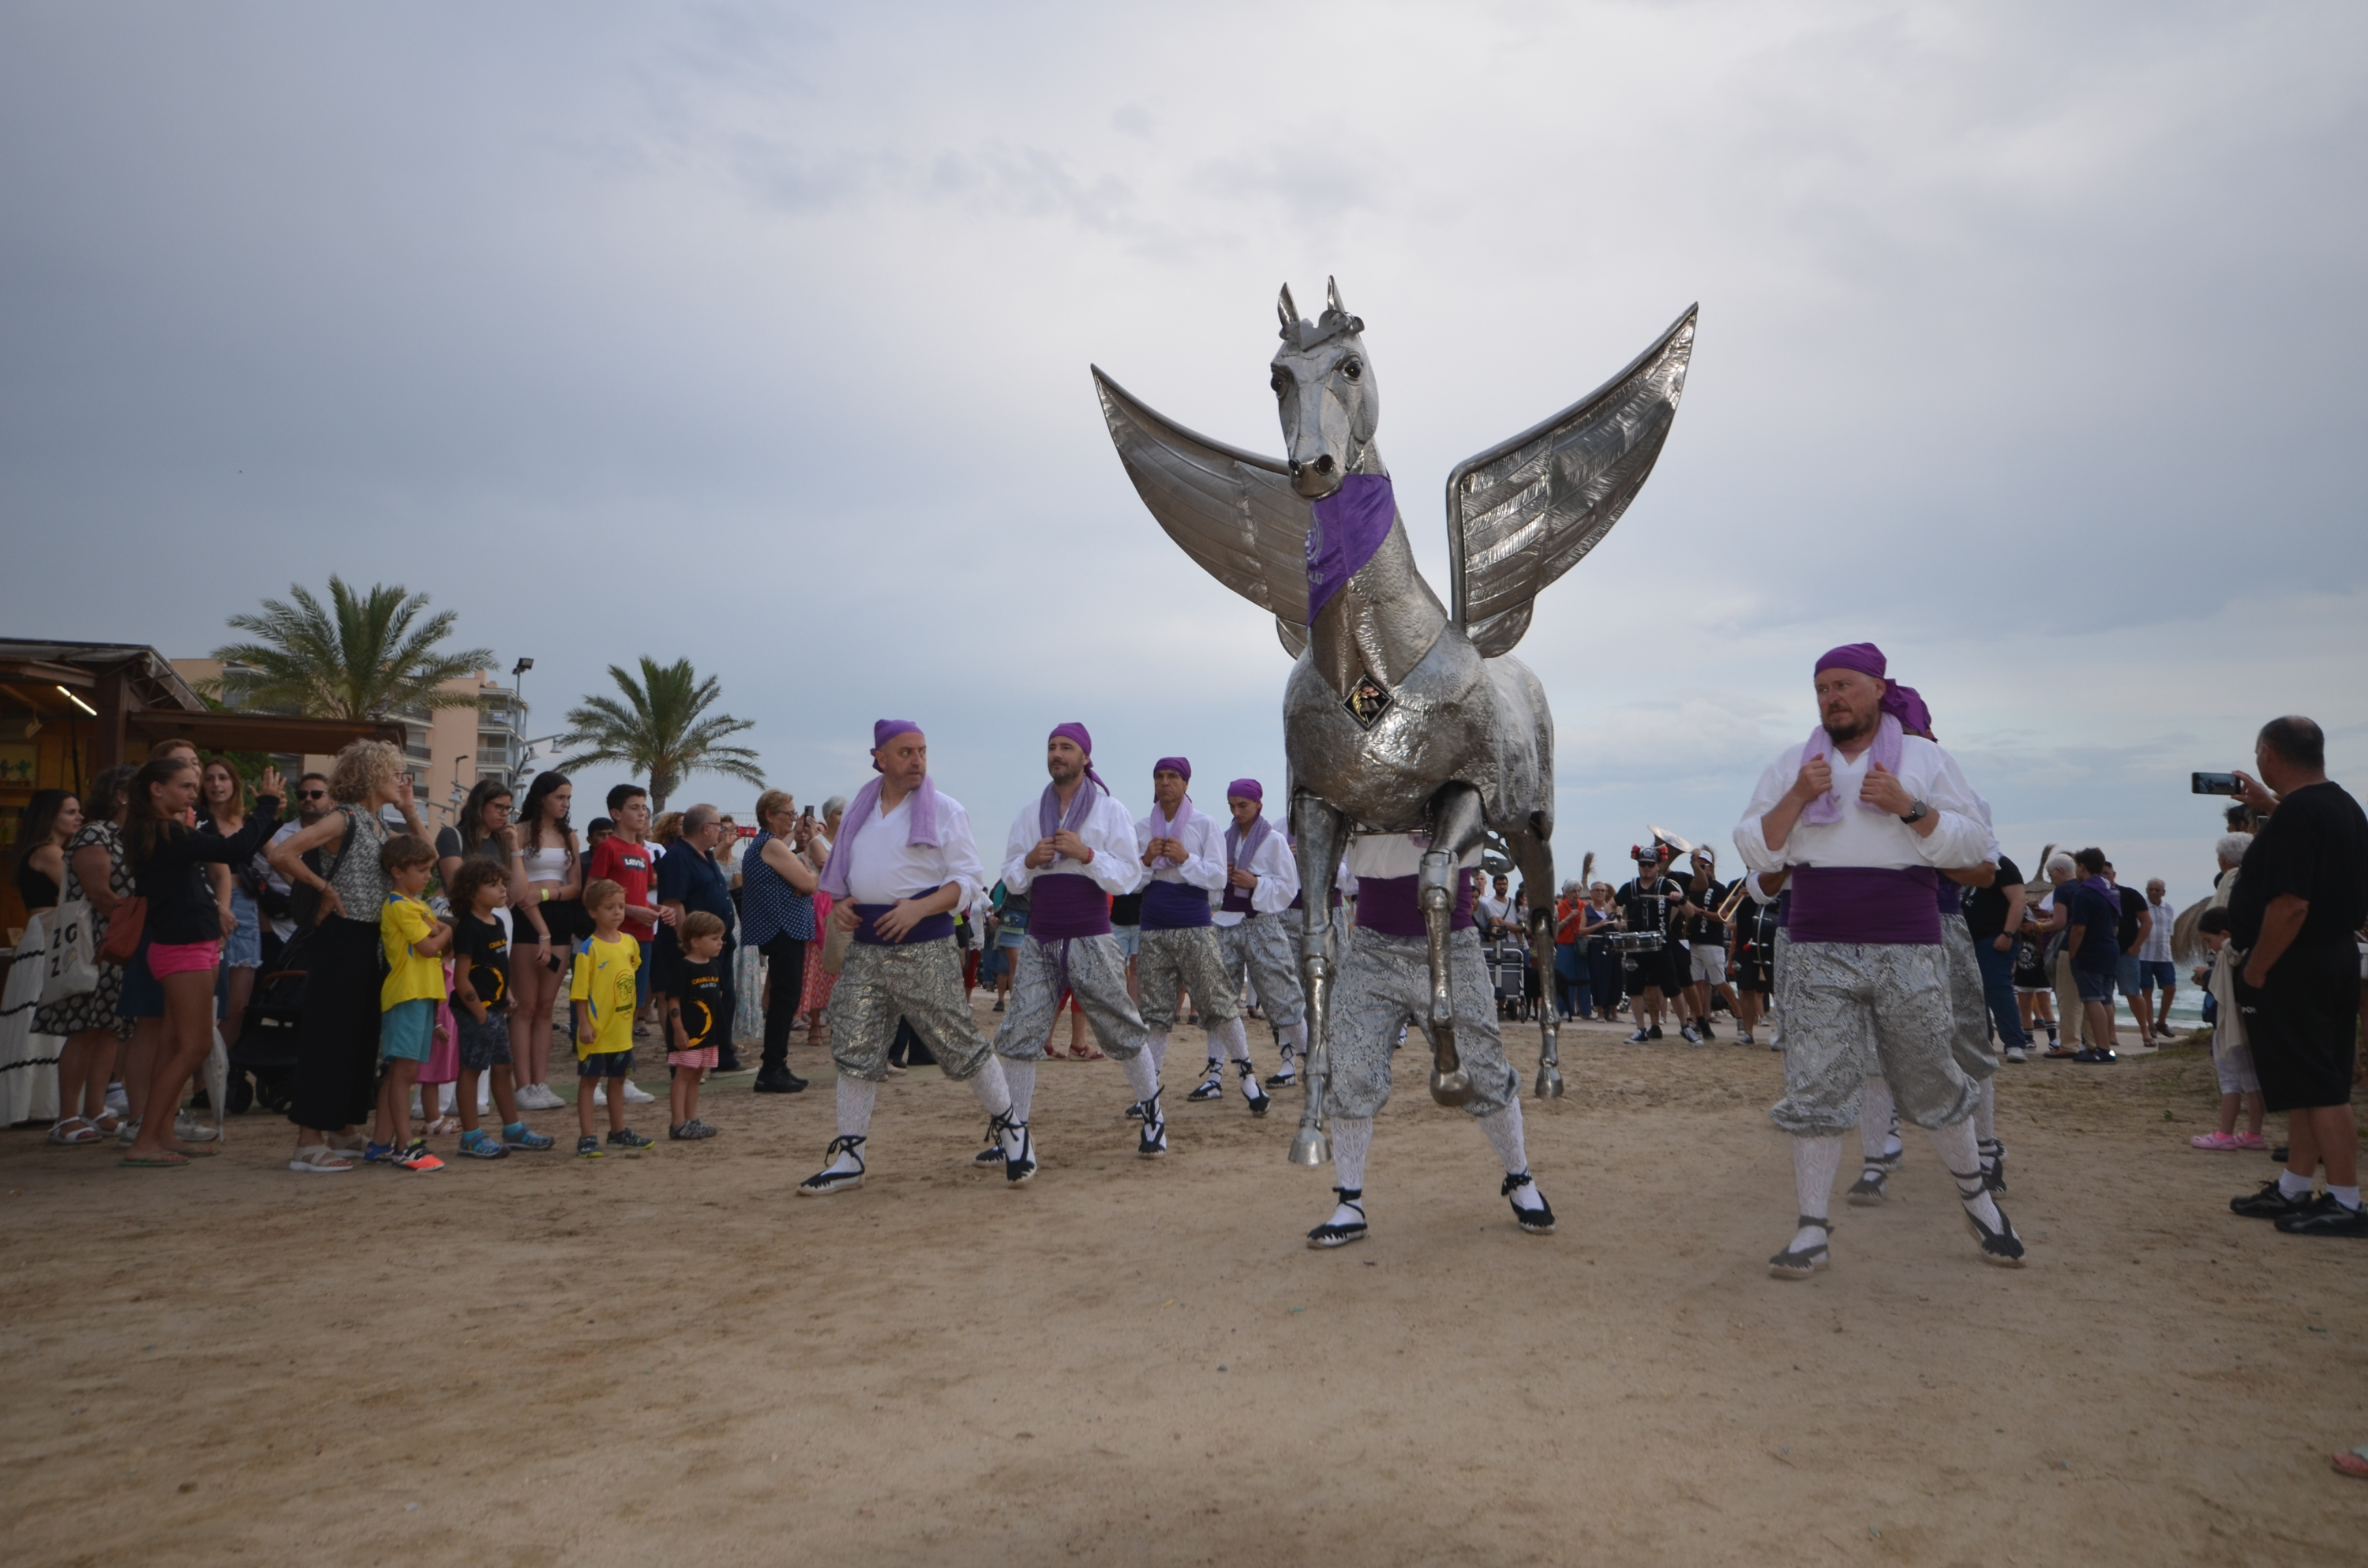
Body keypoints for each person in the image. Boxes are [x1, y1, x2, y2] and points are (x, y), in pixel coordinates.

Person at [1733, 642, 2023, 1275]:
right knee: (1815, 1085)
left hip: (1909, 942)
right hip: (1814, 947)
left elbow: (1978, 847)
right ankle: (1811, 1228)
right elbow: (1755, 850)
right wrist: (1797, 799)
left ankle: (1978, 1199)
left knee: (1930, 1076)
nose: (1832, 697)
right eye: (1822, 688)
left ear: (1876, 687)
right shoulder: (1795, 762)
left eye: (1843, 685)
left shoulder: (1925, 759)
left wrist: (1909, 808)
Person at [796, 721, 1026, 1196]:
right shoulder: (859, 811)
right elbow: (844, 875)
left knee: (960, 1042)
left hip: (926, 942)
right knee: (856, 1047)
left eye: (922, 751)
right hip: (866, 944)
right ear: (878, 757)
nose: (917, 760)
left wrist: (918, 908)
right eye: (905, 752)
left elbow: (967, 881)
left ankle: (1013, 1130)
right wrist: (840, 904)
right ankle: (850, 1158)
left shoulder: (945, 809)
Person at [1305, 827, 1554, 1248]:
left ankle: (1520, 1176)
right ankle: (1350, 1202)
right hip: (1372, 945)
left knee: (1482, 1069)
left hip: (1451, 942)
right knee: (1348, 1066)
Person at [987, 723, 1164, 1157]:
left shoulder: (1109, 811)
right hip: (1040, 938)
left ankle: (1154, 1118)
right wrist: (1029, 860)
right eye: (1051, 747)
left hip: (1091, 935)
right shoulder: (1031, 812)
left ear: (1086, 757)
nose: (1057, 754)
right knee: (1021, 1034)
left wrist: (1086, 854)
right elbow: (1011, 873)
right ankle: (1014, 1135)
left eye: (1066, 747)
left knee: (1123, 1030)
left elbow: (1128, 876)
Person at [2222, 716, 2368, 1237]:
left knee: (2322, 1085)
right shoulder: (2342, 805)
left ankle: (2348, 1201)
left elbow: (2290, 904)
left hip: (2297, 960)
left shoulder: (2301, 814)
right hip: (2335, 955)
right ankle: (2294, 1185)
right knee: (2313, 1079)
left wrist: (2258, 966)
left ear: (2267, 752)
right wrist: (2267, 804)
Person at [269, 740, 430, 1173]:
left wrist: (412, 810)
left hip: (369, 942)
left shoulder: (378, 825)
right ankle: (308, 1142)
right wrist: (323, 887)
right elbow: (280, 852)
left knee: (358, 1041)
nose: (402, 780)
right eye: (395, 772)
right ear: (372, 774)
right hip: (341, 938)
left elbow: (426, 858)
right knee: (330, 1038)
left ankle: (340, 1128)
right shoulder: (343, 818)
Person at [118, 756, 284, 1166]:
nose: (196, 794)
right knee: (192, 1046)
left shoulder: (161, 830)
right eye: (187, 786)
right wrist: (264, 806)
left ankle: (162, 1132)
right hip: (183, 945)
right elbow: (235, 849)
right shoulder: (161, 831)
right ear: (157, 789)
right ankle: (146, 1140)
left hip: (190, 941)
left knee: (176, 1044)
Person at [1134, 757, 1268, 1116]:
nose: (1165, 783)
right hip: (1154, 926)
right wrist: (1146, 861)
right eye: (1159, 776)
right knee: (1155, 1013)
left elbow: (1218, 880)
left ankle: (1247, 1078)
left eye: (1173, 777)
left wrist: (1186, 858)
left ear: (1186, 784)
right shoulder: (1141, 828)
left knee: (1220, 1004)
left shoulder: (1204, 825)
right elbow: (1129, 884)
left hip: (1195, 924)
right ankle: (1148, 1091)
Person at [37, 768, 135, 1144]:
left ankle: (95, 1109)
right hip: (93, 944)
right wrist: (135, 928)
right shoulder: (95, 833)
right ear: (122, 795)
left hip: (118, 944)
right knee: (83, 1028)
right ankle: (65, 1118)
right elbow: (99, 893)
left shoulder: (131, 836)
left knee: (109, 1028)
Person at [1204, 779, 1303, 1100]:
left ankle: (1315, 1066)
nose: (1236, 812)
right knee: (1220, 1001)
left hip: (1262, 924)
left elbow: (1288, 888)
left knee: (1284, 996)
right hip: (1227, 924)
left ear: (1258, 804)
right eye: (1232, 806)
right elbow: (1212, 888)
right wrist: (1223, 876)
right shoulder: (1223, 838)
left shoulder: (1273, 841)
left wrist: (1255, 882)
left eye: (1242, 805)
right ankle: (1214, 1075)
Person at [444, 855, 548, 1159]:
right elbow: (462, 980)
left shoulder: (498, 922)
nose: (503, 890)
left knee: (503, 1067)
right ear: (471, 892)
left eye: (502, 883)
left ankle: (512, 1128)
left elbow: (498, 966)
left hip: (496, 1011)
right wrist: (479, 1014)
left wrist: (509, 995)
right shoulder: (468, 928)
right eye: (493, 885)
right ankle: (471, 1136)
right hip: (476, 1012)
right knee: (472, 1070)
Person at [369, 834, 450, 1171]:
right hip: (407, 994)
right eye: (421, 870)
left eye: (429, 870)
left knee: (403, 1073)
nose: (428, 876)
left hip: (421, 994)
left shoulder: (416, 905)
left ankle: (380, 1144)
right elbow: (432, 945)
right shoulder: (401, 905)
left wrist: (440, 931)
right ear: (397, 871)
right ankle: (404, 1146)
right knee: (404, 1073)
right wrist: (445, 931)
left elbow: (437, 935)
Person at [508, 772, 583, 1112]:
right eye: (560, 797)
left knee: (546, 1007)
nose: (565, 804)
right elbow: (518, 889)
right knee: (525, 1005)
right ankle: (522, 1084)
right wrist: (535, 896)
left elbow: (575, 886)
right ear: (542, 797)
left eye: (568, 798)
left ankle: (541, 1082)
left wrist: (546, 893)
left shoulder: (570, 836)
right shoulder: (519, 832)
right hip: (525, 920)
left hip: (558, 915)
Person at [742, 788, 821, 1094]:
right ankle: (772, 1066)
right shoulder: (772, 845)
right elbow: (809, 883)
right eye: (789, 814)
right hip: (782, 929)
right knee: (785, 1000)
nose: (794, 818)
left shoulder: (770, 845)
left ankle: (777, 1063)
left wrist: (801, 873)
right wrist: (805, 874)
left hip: (781, 928)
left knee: (785, 998)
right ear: (770, 815)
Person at [570, 879, 653, 1157]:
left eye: (620, 906)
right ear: (593, 911)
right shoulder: (588, 950)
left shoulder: (630, 942)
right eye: (609, 907)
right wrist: (583, 1024)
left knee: (618, 1080)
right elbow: (580, 993)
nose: (617, 912)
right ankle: (587, 1137)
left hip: (621, 1030)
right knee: (590, 1082)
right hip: (596, 1030)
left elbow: (630, 975)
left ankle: (618, 1132)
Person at [197, 758, 267, 1040]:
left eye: (223, 778)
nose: (216, 785)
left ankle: (221, 1071)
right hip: (206, 903)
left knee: (238, 1003)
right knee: (205, 997)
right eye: (210, 778)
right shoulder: (195, 819)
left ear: (234, 783)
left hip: (245, 909)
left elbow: (278, 856)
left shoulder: (247, 821)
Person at [2188, 907, 2266, 1151]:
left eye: (2208, 940)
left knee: (2230, 1080)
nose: (2209, 947)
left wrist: (2207, 975)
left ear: (2223, 934)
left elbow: (2224, 987)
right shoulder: (2251, 950)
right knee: (2253, 1080)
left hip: (2230, 1024)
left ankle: (2225, 1133)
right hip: (2250, 1023)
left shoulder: (2228, 955)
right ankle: (2254, 1133)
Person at [587, 784, 664, 1035]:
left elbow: (640, 896)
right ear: (616, 813)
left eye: (644, 807)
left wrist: (659, 909)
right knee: (612, 1002)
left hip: (643, 937)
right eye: (634, 807)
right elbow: (590, 894)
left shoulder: (643, 853)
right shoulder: (608, 848)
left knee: (633, 1006)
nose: (642, 813)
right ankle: (607, 1064)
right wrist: (630, 911)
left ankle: (622, 1067)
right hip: (614, 938)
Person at [664, 909, 731, 1140]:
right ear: (695, 941)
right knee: (683, 1073)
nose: (720, 943)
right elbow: (674, 1000)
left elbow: (718, 996)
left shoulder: (715, 966)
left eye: (720, 937)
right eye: (714, 938)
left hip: (708, 1033)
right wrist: (679, 1029)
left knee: (697, 1073)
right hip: (689, 1033)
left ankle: (691, 1120)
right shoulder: (684, 967)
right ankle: (678, 1123)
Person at [1961, 847, 2030, 1064]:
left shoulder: (2002, 864)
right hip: (1967, 938)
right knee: (1972, 990)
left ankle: (2015, 1043)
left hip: (1996, 936)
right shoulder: (1964, 864)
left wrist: (2008, 933)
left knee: (1996, 987)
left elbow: (2018, 901)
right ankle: (1983, 1040)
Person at [1614, 845, 1686, 1042]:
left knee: (1673, 988)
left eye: (1650, 864)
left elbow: (1690, 913)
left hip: (1661, 946)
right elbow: (1612, 905)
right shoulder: (1629, 887)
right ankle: (1640, 1029)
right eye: (1643, 864)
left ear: (1657, 866)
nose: (1646, 868)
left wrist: (1681, 899)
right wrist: (1616, 917)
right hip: (1635, 946)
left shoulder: (1667, 885)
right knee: (1634, 989)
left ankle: (1686, 1027)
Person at [1677, 848, 1736, 1038]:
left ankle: (1740, 1013)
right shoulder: (1691, 886)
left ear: (1710, 867)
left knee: (1719, 981)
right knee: (1697, 983)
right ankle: (1697, 1018)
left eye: (1703, 866)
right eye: (1697, 866)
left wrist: (1700, 912)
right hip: (1693, 940)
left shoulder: (1718, 888)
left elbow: (1724, 917)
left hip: (1712, 941)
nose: (1700, 870)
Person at [2138, 877, 2179, 1038]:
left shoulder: (2168, 908)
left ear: (2163, 892)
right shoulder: (2141, 907)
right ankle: (2150, 1025)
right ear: (2146, 890)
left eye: (2157, 890)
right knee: (2146, 991)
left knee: (2170, 988)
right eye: (2151, 889)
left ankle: (2161, 1022)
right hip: (2144, 955)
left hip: (2164, 956)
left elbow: (2169, 933)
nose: (2154, 892)